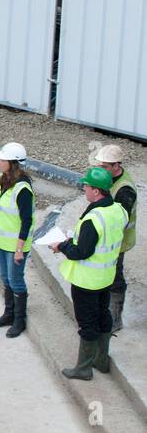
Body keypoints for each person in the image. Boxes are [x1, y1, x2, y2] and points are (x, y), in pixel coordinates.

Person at [53, 168, 127, 380]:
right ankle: (101, 360)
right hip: (106, 276)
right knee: (103, 315)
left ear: (96, 191)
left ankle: (83, 368)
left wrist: (61, 247)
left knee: (88, 323)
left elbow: (82, 252)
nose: (84, 188)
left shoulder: (93, 218)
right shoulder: (118, 210)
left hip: (87, 281)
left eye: (86, 186)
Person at [0, 142, 34, 338]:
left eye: (2, 159)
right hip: (3, 242)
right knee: (5, 278)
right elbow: (0, 210)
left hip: (16, 246)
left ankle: (19, 320)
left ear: (12, 163)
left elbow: (26, 220)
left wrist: (20, 249)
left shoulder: (22, 189)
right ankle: (9, 314)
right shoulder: (2, 180)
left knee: (16, 280)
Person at [92, 144, 135, 332]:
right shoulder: (109, 178)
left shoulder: (125, 189)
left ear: (116, 165)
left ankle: (115, 319)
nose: (101, 169)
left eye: (105, 166)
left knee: (115, 278)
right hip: (108, 239)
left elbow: (120, 219)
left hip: (119, 241)